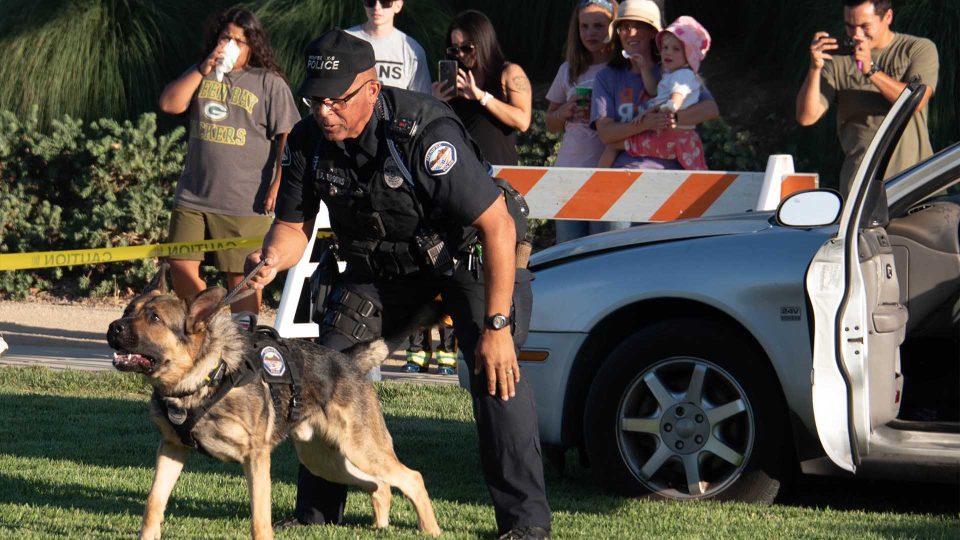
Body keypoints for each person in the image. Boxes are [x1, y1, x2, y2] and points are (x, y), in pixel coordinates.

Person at [245, 29, 552, 539]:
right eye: (315, 100)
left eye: (337, 100)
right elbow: (295, 228)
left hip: (465, 259)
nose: (324, 112)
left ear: (371, 88)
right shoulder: (307, 141)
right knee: (323, 367)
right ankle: (316, 514)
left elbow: (497, 225)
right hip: (383, 270)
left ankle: (525, 526)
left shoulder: (424, 132)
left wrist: (497, 327)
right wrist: (273, 257)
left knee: (497, 380)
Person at [158, 7, 299, 315]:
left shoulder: (268, 83)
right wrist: (202, 68)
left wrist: (279, 181)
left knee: (241, 277)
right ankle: (210, 326)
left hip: (244, 200)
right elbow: (170, 104)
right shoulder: (201, 74)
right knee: (180, 263)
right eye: (226, 37)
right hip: (194, 195)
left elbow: (288, 135)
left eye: (239, 40)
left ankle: (244, 343)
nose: (230, 45)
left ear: (253, 46)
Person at [591, 0, 719, 230]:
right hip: (623, 179)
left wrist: (673, 119)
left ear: (652, 33)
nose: (629, 33)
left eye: (637, 26)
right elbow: (606, 134)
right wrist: (645, 124)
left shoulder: (676, 71)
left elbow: (710, 110)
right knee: (616, 254)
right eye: (623, 27)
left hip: (671, 181)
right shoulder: (606, 77)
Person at [795, 0, 938, 196]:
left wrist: (870, 70)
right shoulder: (837, 61)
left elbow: (916, 102)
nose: (856, 35)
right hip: (861, 191)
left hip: (916, 184)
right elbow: (806, 117)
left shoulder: (917, 49)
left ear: (888, 17)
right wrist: (814, 68)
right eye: (850, 26)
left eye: (865, 26)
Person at [545, 0, 619, 243]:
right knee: (568, 251)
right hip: (569, 172)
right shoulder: (568, 69)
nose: (590, 33)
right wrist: (565, 111)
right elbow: (550, 124)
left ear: (613, 27)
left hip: (608, 173)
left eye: (598, 26)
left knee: (602, 252)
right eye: (584, 26)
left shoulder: (622, 69)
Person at [433, 9, 532, 167]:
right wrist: (436, 103)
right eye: (454, 49)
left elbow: (523, 121)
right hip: (461, 170)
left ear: (483, 42)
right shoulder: (455, 79)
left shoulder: (509, 72)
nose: (461, 55)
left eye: (467, 48)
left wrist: (481, 97)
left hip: (497, 171)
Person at [621, 15, 711, 170]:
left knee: (698, 176)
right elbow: (655, 92)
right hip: (674, 136)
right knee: (697, 173)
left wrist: (672, 106)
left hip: (678, 136)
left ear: (688, 56)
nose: (668, 53)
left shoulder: (684, 75)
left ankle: (591, 184)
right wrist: (644, 69)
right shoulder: (670, 75)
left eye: (676, 49)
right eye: (665, 48)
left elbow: (678, 93)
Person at [345, 0, 432, 93]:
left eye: (385, 2)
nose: (377, 7)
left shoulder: (412, 50)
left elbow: (420, 100)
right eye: (370, 2)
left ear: (398, 5)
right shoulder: (344, 41)